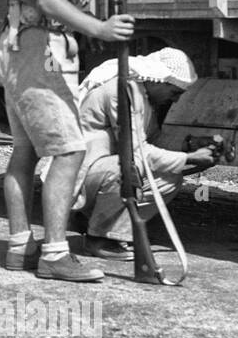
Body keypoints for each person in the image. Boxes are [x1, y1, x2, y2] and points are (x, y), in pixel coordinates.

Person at [0, 0, 135, 281]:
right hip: (41, 52)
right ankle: (55, 254)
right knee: (70, 149)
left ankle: (21, 245)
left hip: (16, 45)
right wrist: (100, 29)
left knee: (25, 151)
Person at [73, 48, 218, 259]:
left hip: (99, 173)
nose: (175, 100)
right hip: (79, 174)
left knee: (169, 179)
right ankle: (100, 239)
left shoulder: (144, 97)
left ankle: (95, 222)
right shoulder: (122, 92)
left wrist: (190, 149)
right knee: (127, 168)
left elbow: (152, 144)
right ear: (160, 81)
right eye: (175, 93)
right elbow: (137, 154)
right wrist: (189, 158)